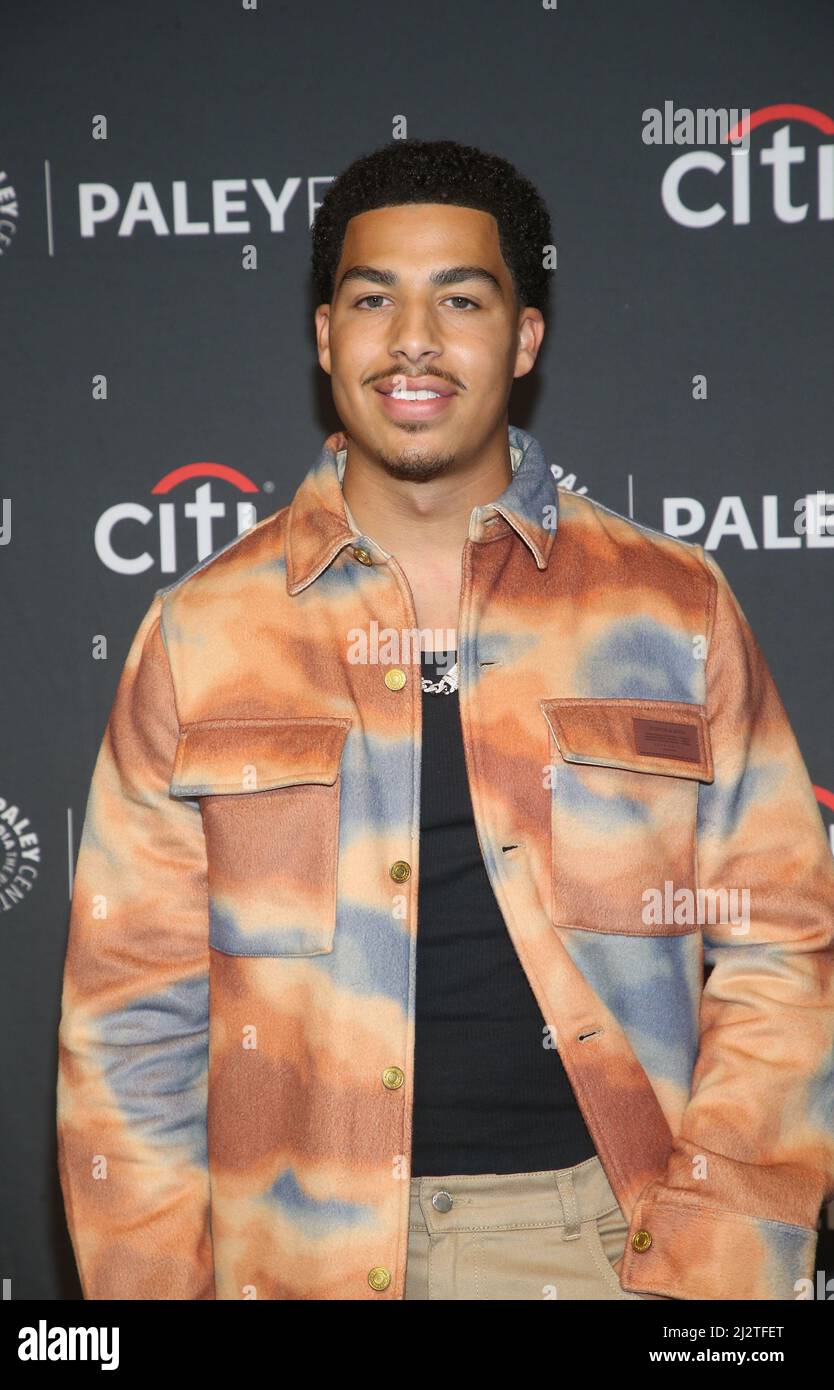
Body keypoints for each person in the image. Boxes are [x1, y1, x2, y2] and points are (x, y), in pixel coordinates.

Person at [56, 138, 834, 1301]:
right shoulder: (199, 634)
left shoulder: (669, 603)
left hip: (609, 1244)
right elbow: (129, 1019)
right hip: (293, 1255)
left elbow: (780, 952)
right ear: (326, 337)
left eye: (458, 298)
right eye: (372, 297)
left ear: (521, 340)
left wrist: (713, 1264)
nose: (412, 337)